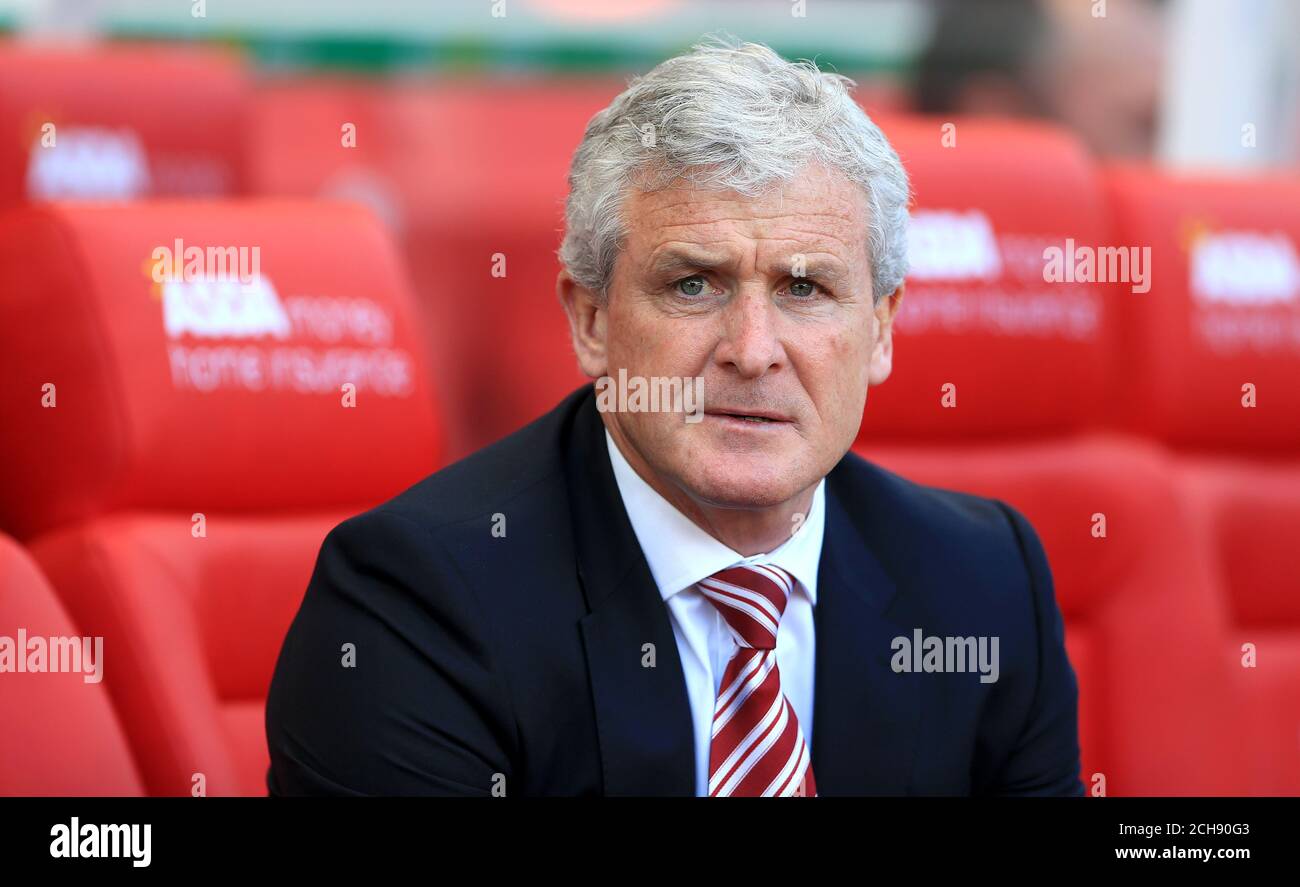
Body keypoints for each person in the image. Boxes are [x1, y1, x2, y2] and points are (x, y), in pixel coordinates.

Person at [265, 37, 1082, 797]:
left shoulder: (983, 580)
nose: (753, 351)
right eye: (694, 283)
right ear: (590, 320)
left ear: (880, 328)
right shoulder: (416, 602)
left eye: (805, 289)